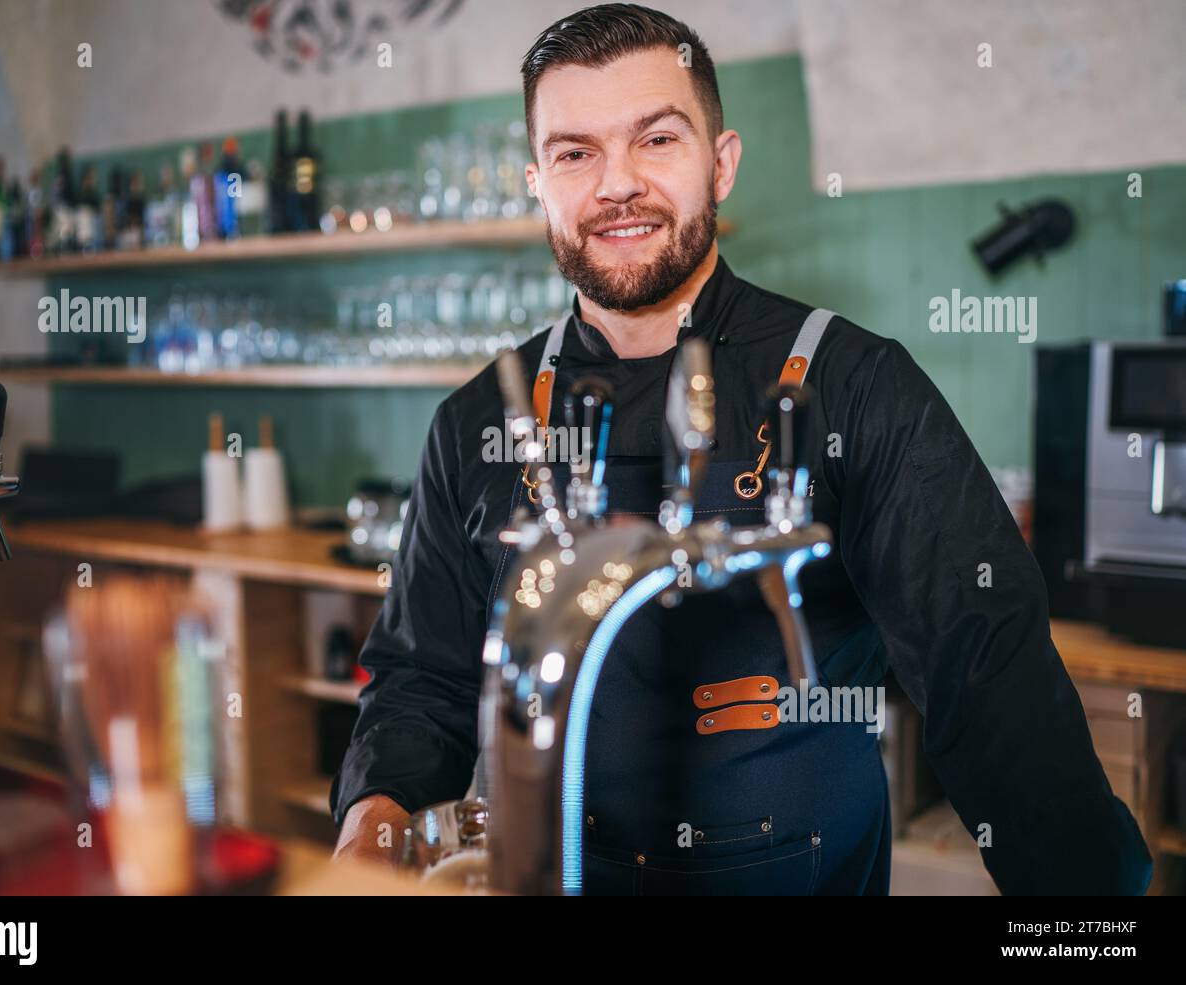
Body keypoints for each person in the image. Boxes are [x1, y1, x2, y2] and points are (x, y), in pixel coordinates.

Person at [330, 3, 1152, 895]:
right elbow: (420, 681)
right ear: (537, 181)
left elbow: (988, 678)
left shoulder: (855, 384)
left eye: (656, 139)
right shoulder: (473, 422)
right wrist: (368, 833)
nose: (616, 185)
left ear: (720, 165)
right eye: (575, 152)